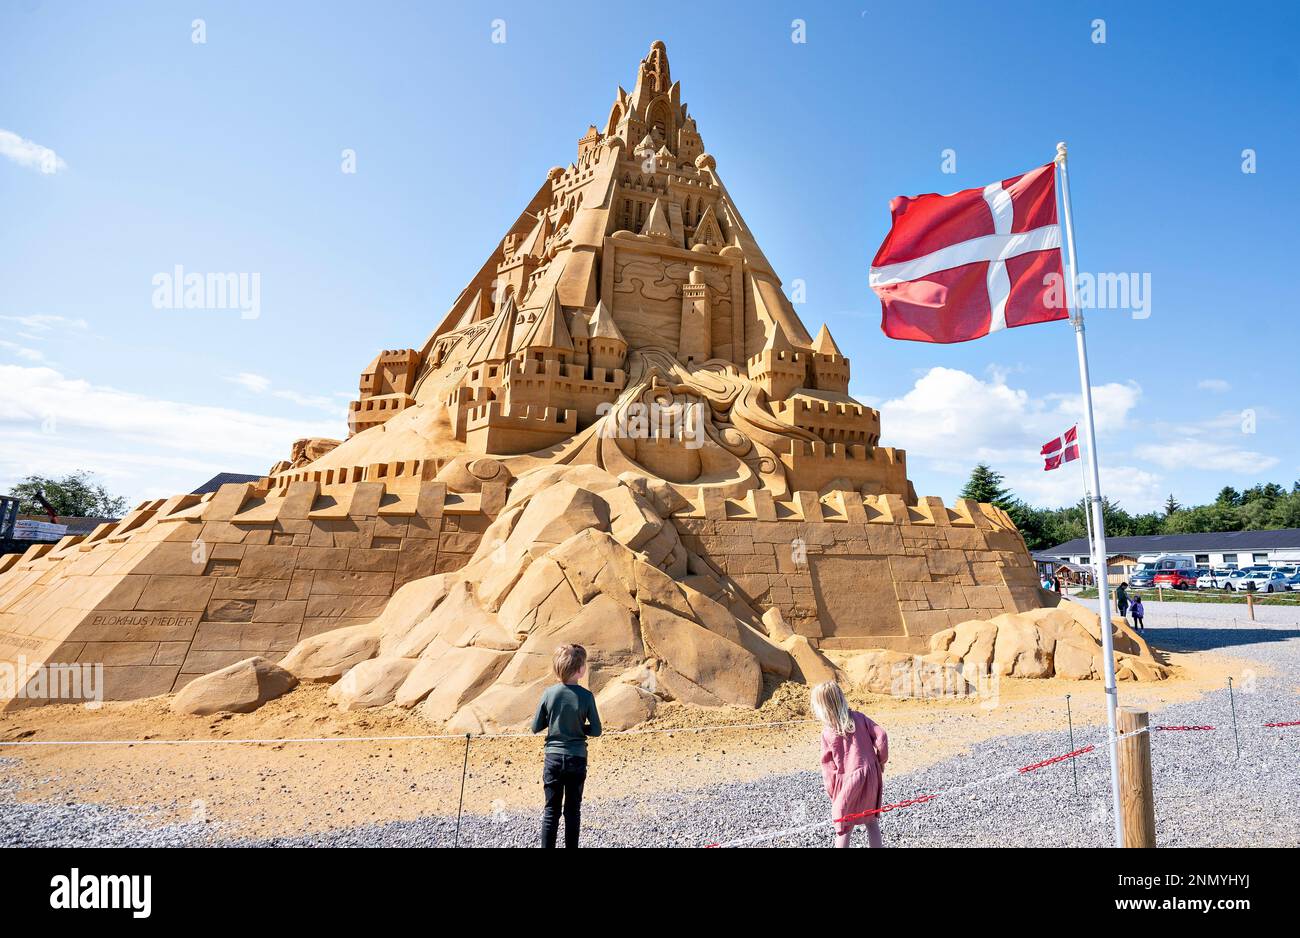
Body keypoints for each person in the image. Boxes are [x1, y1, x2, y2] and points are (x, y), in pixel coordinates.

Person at [531, 643, 602, 848]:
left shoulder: (548, 693)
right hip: (576, 758)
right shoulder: (587, 696)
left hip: (553, 758)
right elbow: (596, 730)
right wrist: (578, 728)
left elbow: (535, 726)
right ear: (580, 671)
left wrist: (555, 724)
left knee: (551, 811)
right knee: (573, 811)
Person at [812, 681, 889, 848]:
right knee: (872, 821)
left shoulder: (828, 732)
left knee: (844, 827)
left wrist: (833, 792)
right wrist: (880, 761)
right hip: (871, 775)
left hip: (846, 783)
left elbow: (828, 768)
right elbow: (881, 736)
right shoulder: (860, 718)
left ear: (822, 708)